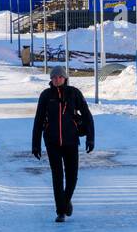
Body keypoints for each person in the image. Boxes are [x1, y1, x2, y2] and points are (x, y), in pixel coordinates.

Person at [31, 66, 95, 223]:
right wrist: (36, 144)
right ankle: (61, 211)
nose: (57, 80)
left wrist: (90, 138)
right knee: (57, 176)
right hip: (52, 142)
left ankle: (65, 201)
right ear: (51, 80)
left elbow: (87, 115)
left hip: (71, 140)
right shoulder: (46, 95)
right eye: (54, 77)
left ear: (65, 78)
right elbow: (38, 120)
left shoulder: (74, 93)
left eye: (60, 77)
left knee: (72, 176)